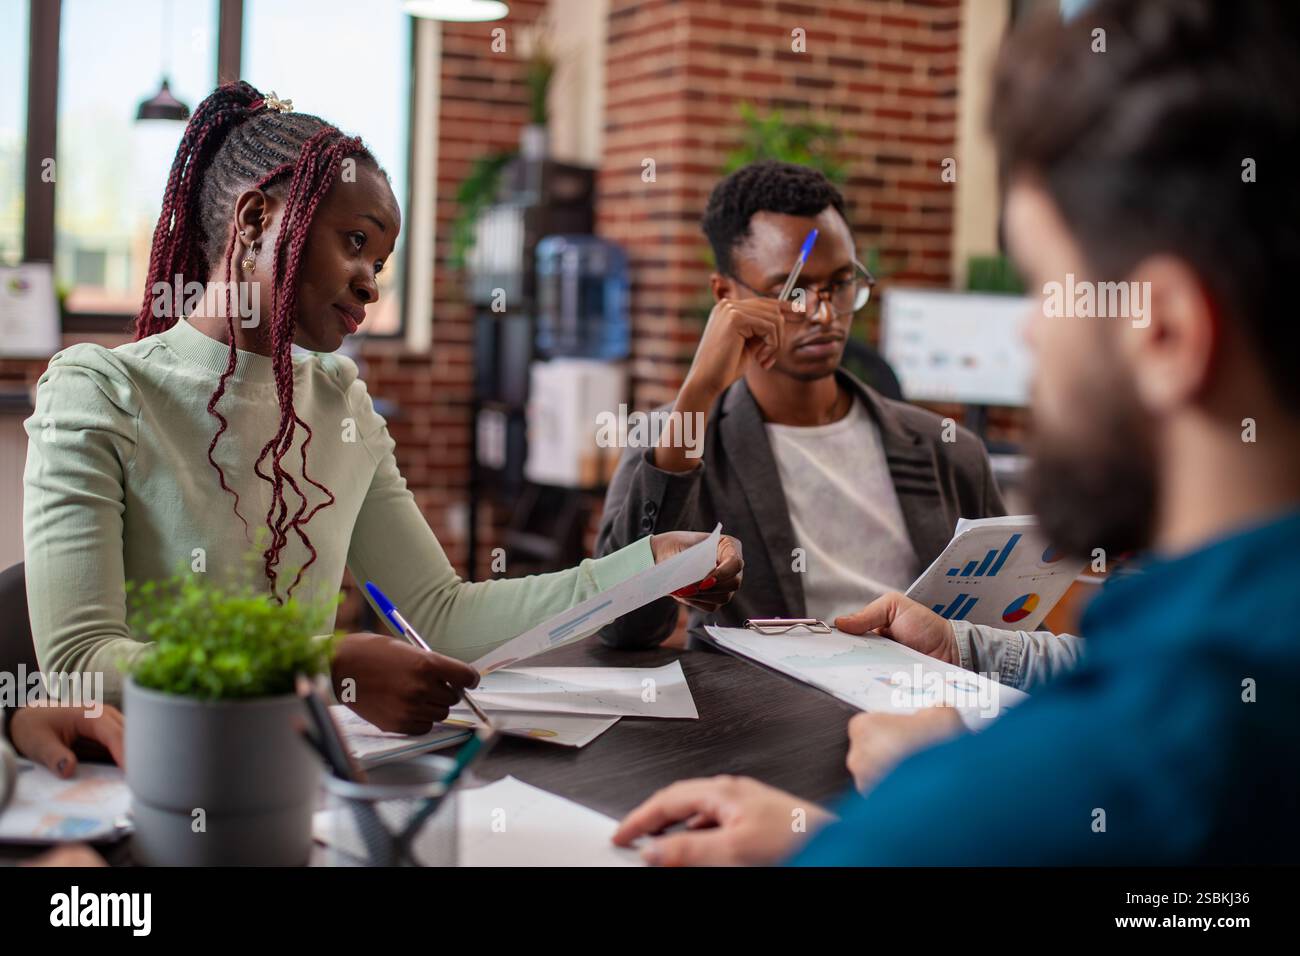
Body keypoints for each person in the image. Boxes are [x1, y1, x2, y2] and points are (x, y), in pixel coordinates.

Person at [612, 0, 1300, 865]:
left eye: (1048, 289)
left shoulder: (1035, 792)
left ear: (1162, 330)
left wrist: (926, 814)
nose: (1027, 336)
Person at [22, 82, 741, 734]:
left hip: (305, 773)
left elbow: (441, 616)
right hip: (157, 782)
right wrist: (320, 665)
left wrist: (646, 563)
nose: (370, 284)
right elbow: (81, 664)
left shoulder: (337, 398)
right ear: (253, 221)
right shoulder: (100, 390)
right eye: (355, 243)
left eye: (381, 263)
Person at [597, 161, 1003, 649]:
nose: (825, 314)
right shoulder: (673, 439)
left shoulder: (949, 452)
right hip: (771, 716)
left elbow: (1005, 631)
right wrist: (698, 393)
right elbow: (622, 628)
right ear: (725, 295)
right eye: (792, 291)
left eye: (838, 284)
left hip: (928, 712)